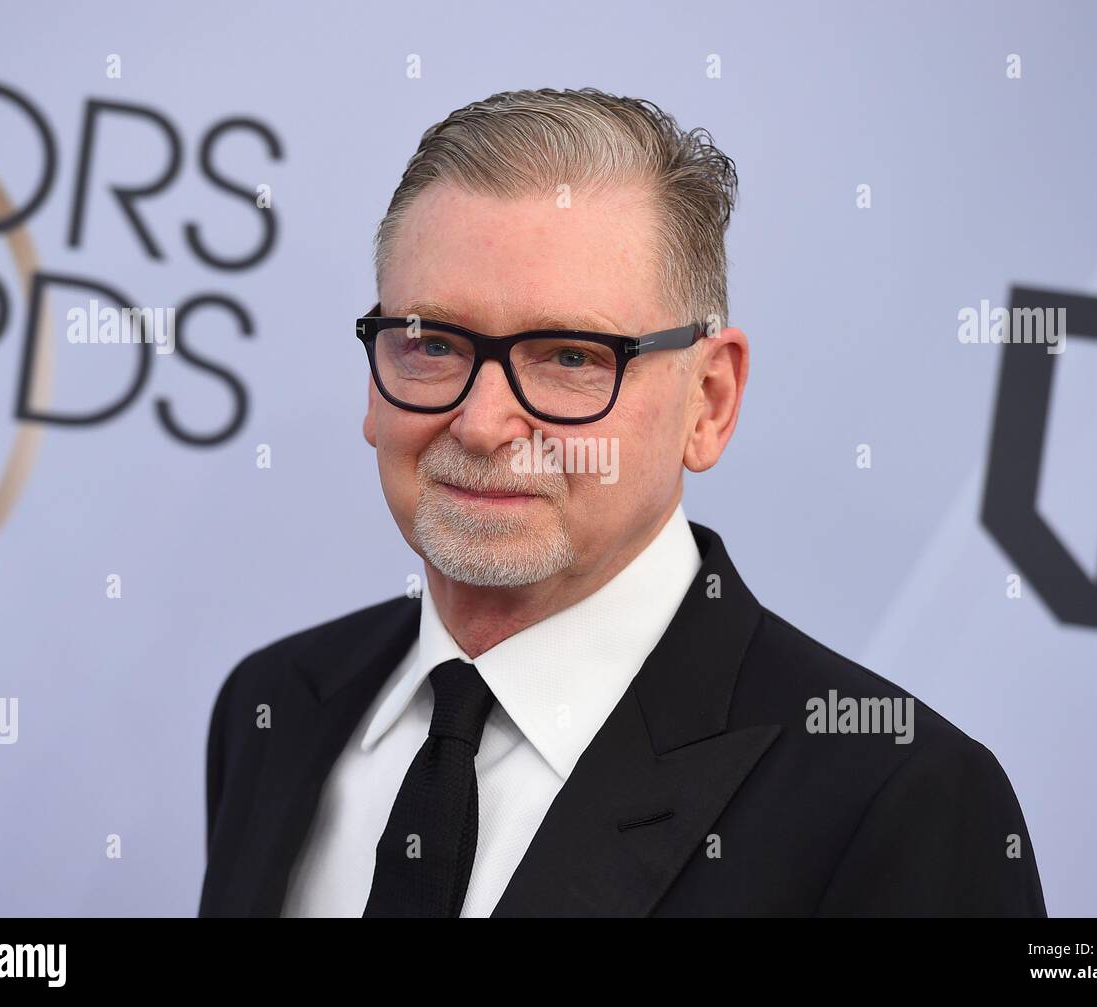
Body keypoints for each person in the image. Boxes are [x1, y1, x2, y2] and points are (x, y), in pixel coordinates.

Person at [198, 87, 1047, 917]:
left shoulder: (899, 800)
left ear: (708, 400)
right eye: (433, 343)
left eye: (570, 357)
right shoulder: (274, 708)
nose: (485, 423)